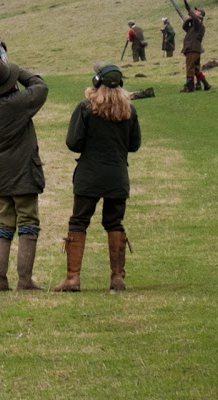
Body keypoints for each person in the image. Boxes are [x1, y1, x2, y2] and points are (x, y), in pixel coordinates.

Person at [55, 63, 141, 293]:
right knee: (114, 223)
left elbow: (73, 143)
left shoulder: (85, 108)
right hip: (117, 176)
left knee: (79, 222)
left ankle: (73, 278)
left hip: (89, 176)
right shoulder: (129, 111)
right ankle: (117, 278)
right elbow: (134, 144)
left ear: (97, 82)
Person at [0, 53, 49, 292]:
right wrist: (17, 70)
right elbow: (40, 86)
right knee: (28, 223)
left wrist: (3, 64)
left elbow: (1, 84)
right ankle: (24, 280)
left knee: (4, 225)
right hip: (22, 172)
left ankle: (0, 280)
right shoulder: (17, 103)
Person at [181, 7, 209, 91]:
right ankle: (206, 84)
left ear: (200, 14)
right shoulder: (194, 25)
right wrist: (189, 19)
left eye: (197, 11)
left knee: (189, 68)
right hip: (194, 49)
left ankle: (190, 87)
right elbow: (184, 27)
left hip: (192, 49)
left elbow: (195, 19)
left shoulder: (198, 24)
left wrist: (189, 10)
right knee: (196, 69)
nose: (195, 11)